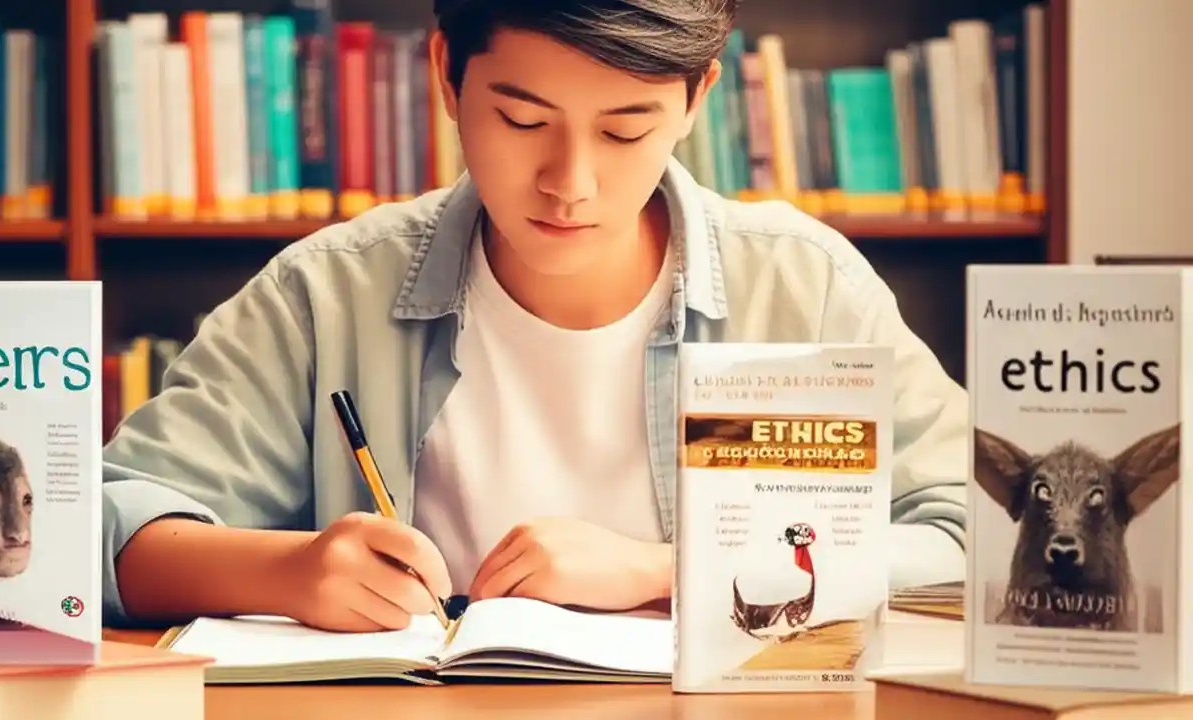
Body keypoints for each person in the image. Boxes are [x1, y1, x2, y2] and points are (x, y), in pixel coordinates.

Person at [102, 0, 968, 632]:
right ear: (446, 74)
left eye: (626, 132)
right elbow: (102, 527)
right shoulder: (330, 293)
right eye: (521, 119)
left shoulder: (801, 288)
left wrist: (667, 572)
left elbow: (974, 531)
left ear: (700, 96)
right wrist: (286, 572)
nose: (570, 183)